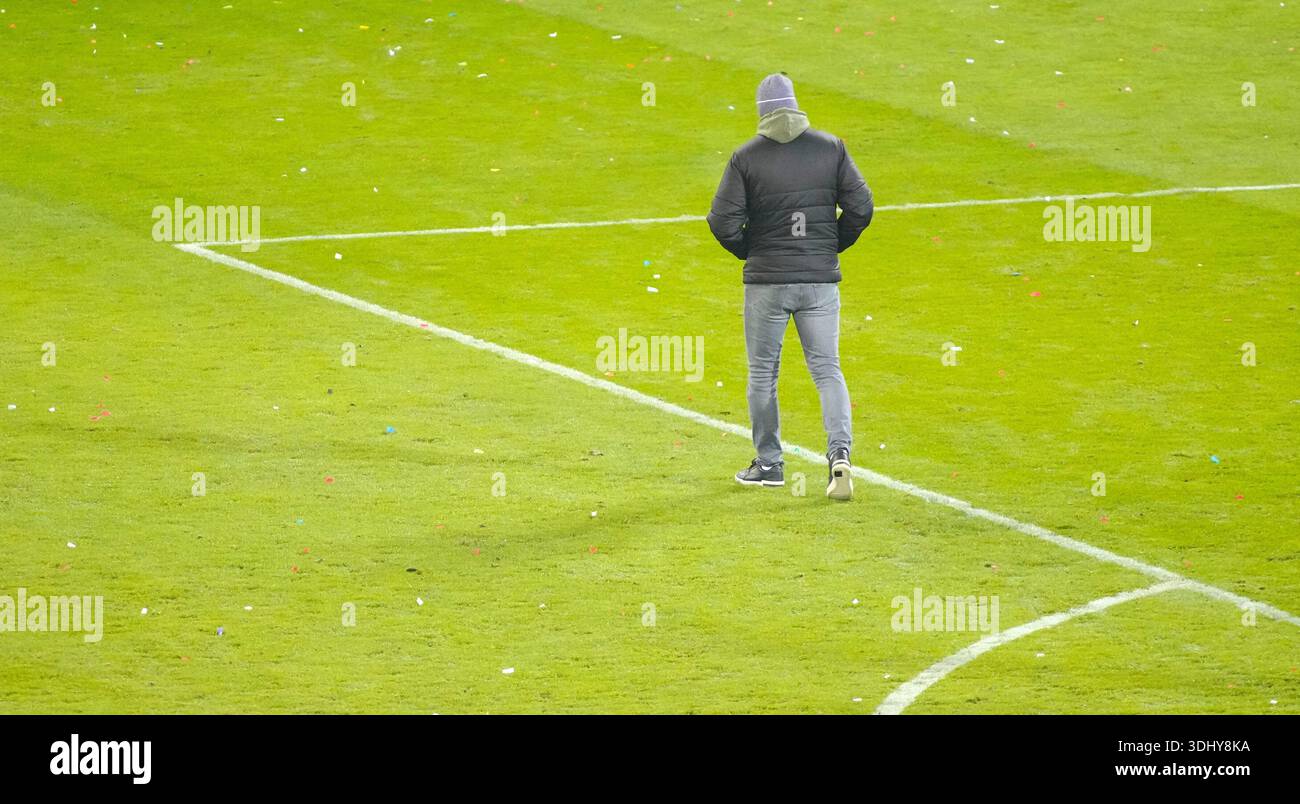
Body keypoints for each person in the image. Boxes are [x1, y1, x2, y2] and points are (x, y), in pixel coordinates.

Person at [706, 73, 874, 501]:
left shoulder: (746, 157)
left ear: (762, 111)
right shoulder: (830, 148)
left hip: (767, 283)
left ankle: (769, 464)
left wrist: (751, 249)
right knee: (827, 370)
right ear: (796, 106)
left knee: (763, 373)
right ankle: (840, 456)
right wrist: (830, 244)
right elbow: (862, 206)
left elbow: (721, 221)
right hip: (820, 282)